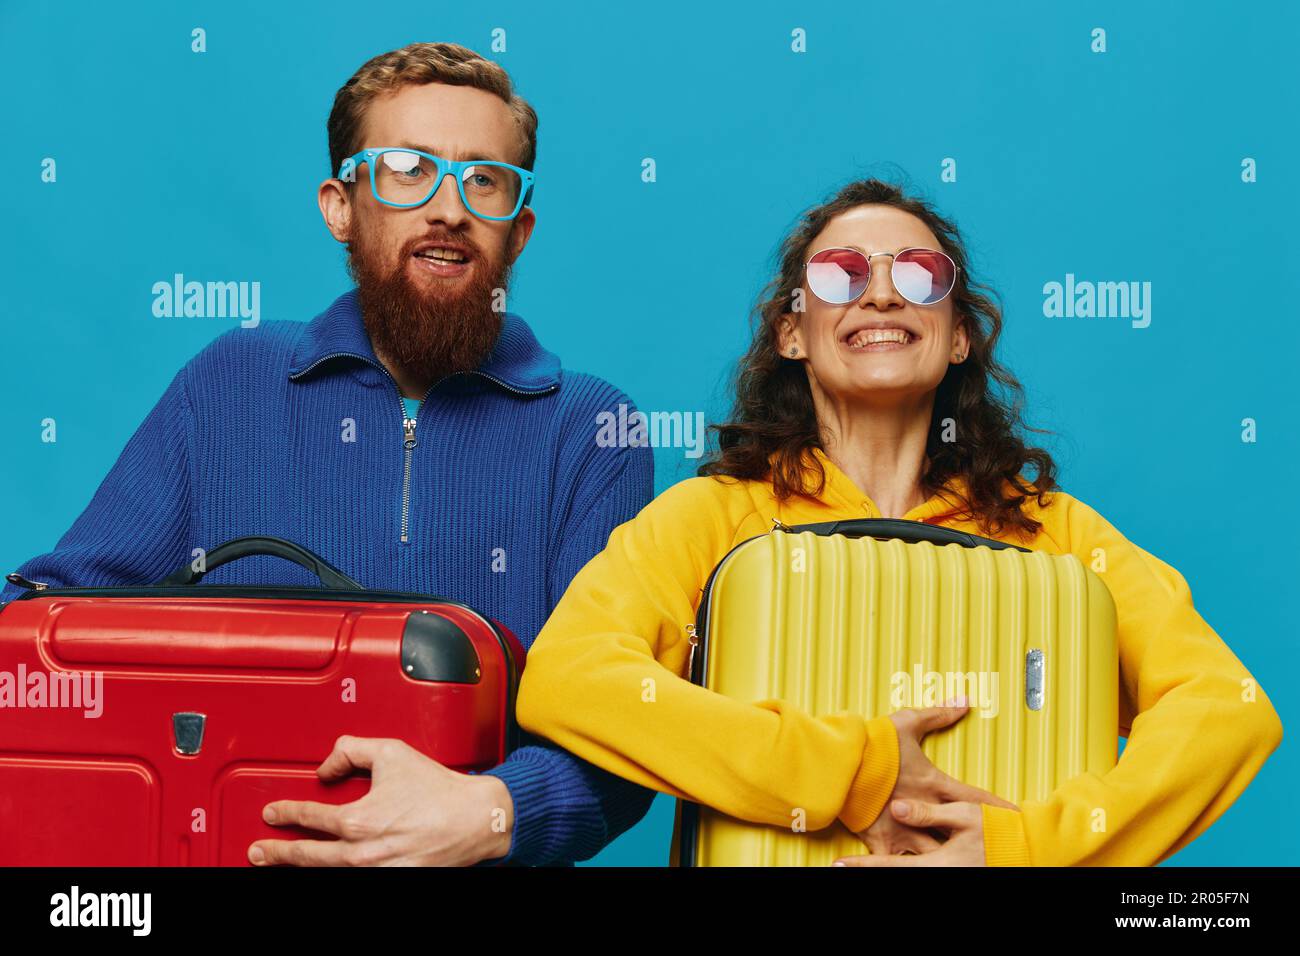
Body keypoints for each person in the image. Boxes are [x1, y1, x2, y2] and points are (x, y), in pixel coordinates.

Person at [0, 42, 657, 867]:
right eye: (407, 170)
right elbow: (49, 622)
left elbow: (627, 731)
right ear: (340, 207)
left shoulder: (593, 430)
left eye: (483, 180)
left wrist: (492, 812)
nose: (449, 208)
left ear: (517, 230)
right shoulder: (229, 384)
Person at [514, 178, 1284, 866]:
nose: (880, 294)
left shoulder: (1056, 537)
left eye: (919, 275)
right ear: (792, 333)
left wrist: (1027, 849)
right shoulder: (713, 518)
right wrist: (854, 770)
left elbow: (1226, 711)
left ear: (958, 337)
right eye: (840, 273)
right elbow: (568, 679)